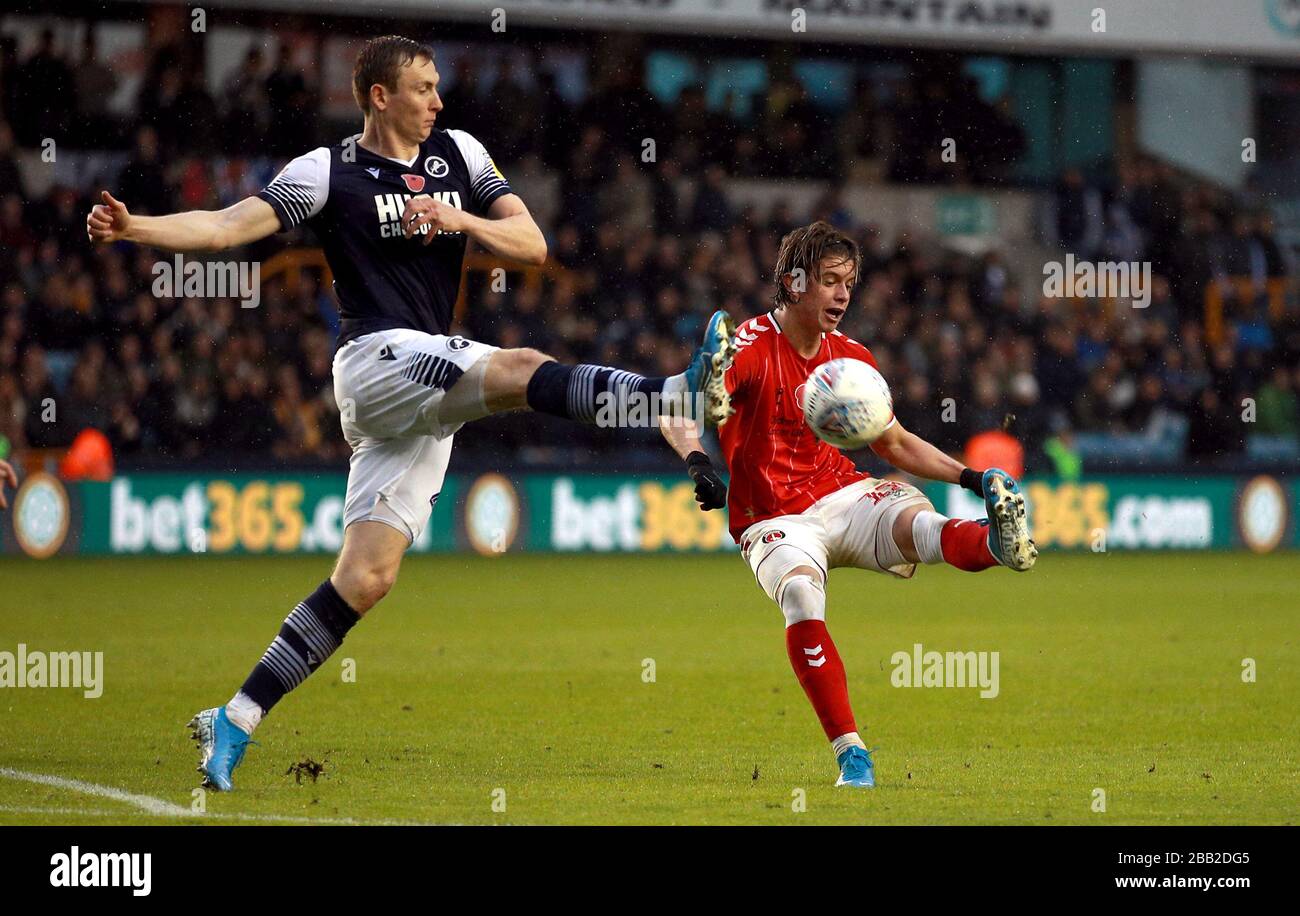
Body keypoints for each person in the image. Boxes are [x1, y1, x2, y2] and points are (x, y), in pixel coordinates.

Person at [87, 35, 732, 791]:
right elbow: (231, 227)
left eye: (437, 87)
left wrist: (460, 222)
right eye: (423, 88)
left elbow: (531, 242)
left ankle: (234, 719)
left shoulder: (460, 154)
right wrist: (138, 229)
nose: (438, 101)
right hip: (376, 361)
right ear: (379, 95)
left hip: (422, 396)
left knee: (366, 577)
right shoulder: (327, 172)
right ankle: (669, 398)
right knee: (521, 368)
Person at [660, 221, 1036, 788]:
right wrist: (697, 461)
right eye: (831, 281)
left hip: (844, 491)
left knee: (921, 524)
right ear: (794, 281)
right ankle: (852, 753)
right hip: (775, 519)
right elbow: (673, 408)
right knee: (801, 596)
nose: (843, 295)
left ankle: (995, 541)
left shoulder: (852, 360)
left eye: (850, 283)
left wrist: (971, 475)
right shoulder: (749, 346)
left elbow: (895, 442)